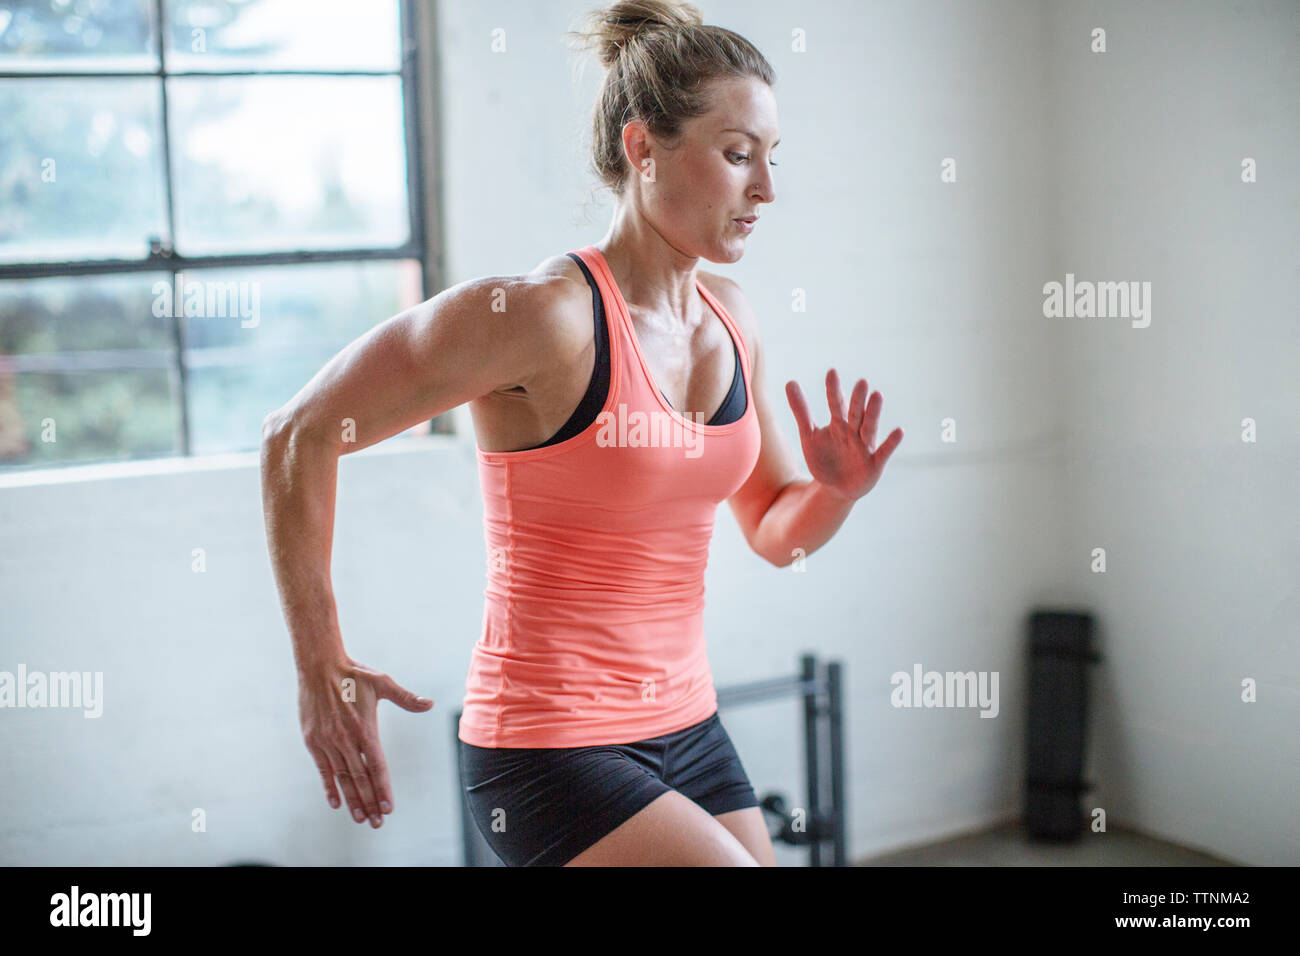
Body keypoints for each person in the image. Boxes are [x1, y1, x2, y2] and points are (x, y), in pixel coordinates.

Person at [259, 0, 903, 867]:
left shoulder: (732, 320)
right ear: (644, 150)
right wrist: (319, 662)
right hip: (547, 745)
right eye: (738, 155)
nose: (767, 189)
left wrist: (834, 491)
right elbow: (298, 435)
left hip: (688, 725)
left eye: (772, 159)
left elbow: (773, 528)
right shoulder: (544, 318)